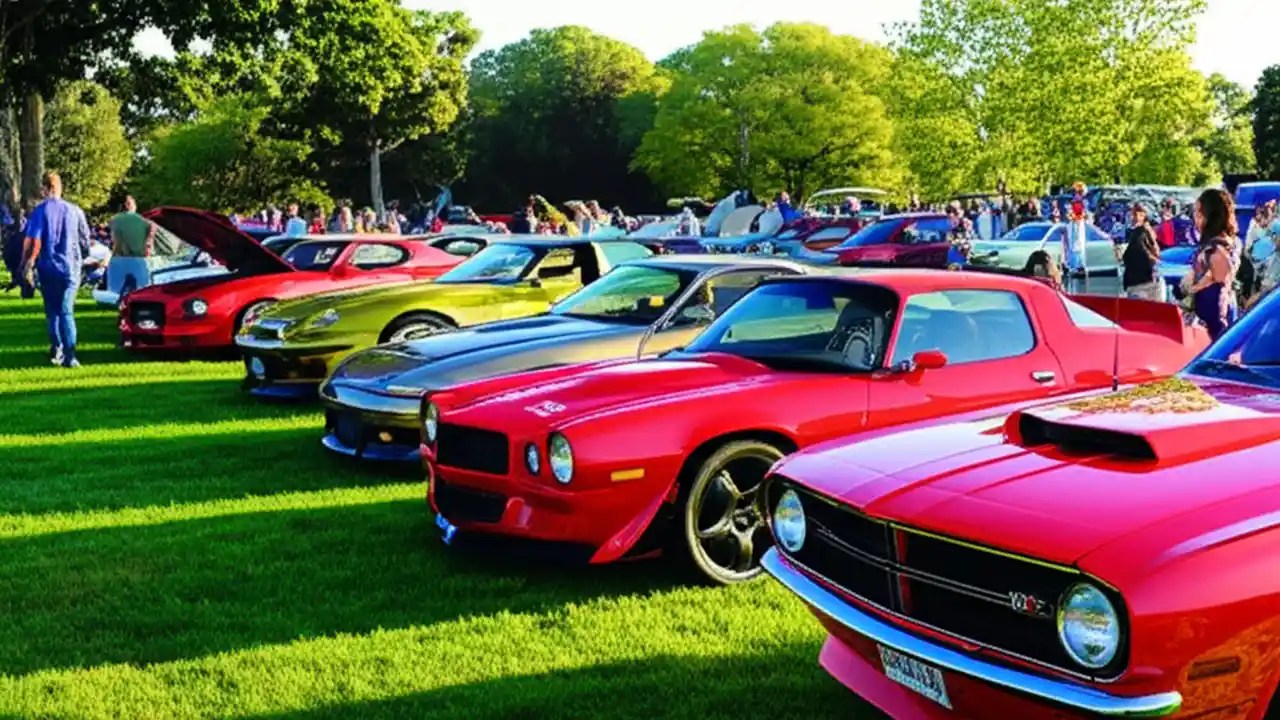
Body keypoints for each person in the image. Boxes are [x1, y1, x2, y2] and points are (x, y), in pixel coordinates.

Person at [21, 172, 90, 368]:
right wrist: (81, 257)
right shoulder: (75, 211)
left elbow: (32, 239)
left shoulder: (40, 211)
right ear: (60, 188)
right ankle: (70, 356)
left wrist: (26, 263)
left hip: (48, 266)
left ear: (44, 189)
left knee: (52, 311)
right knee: (67, 311)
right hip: (70, 266)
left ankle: (56, 348)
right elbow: (85, 241)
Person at [1186, 188, 1239, 341]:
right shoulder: (1221, 244)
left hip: (1217, 321)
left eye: (1199, 212)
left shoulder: (1216, 248)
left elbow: (1224, 278)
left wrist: (1195, 287)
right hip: (1213, 316)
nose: (1195, 217)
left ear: (1210, 215)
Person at [108, 196, 156, 299]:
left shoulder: (114, 220)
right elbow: (150, 238)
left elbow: (113, 238)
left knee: (116, 293)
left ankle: (120, 306)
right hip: (139, 258)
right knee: (143, 291)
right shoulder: (145, 222)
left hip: (119, 257)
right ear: (134, 205)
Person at [1122, 203, 1164, 301]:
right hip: (1151, 279)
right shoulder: (1148, 231)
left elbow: (1135, 253)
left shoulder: (1139, 233)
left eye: (1138, 214)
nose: (1134, 217)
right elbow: (1155, 251)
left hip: (1139, 282)